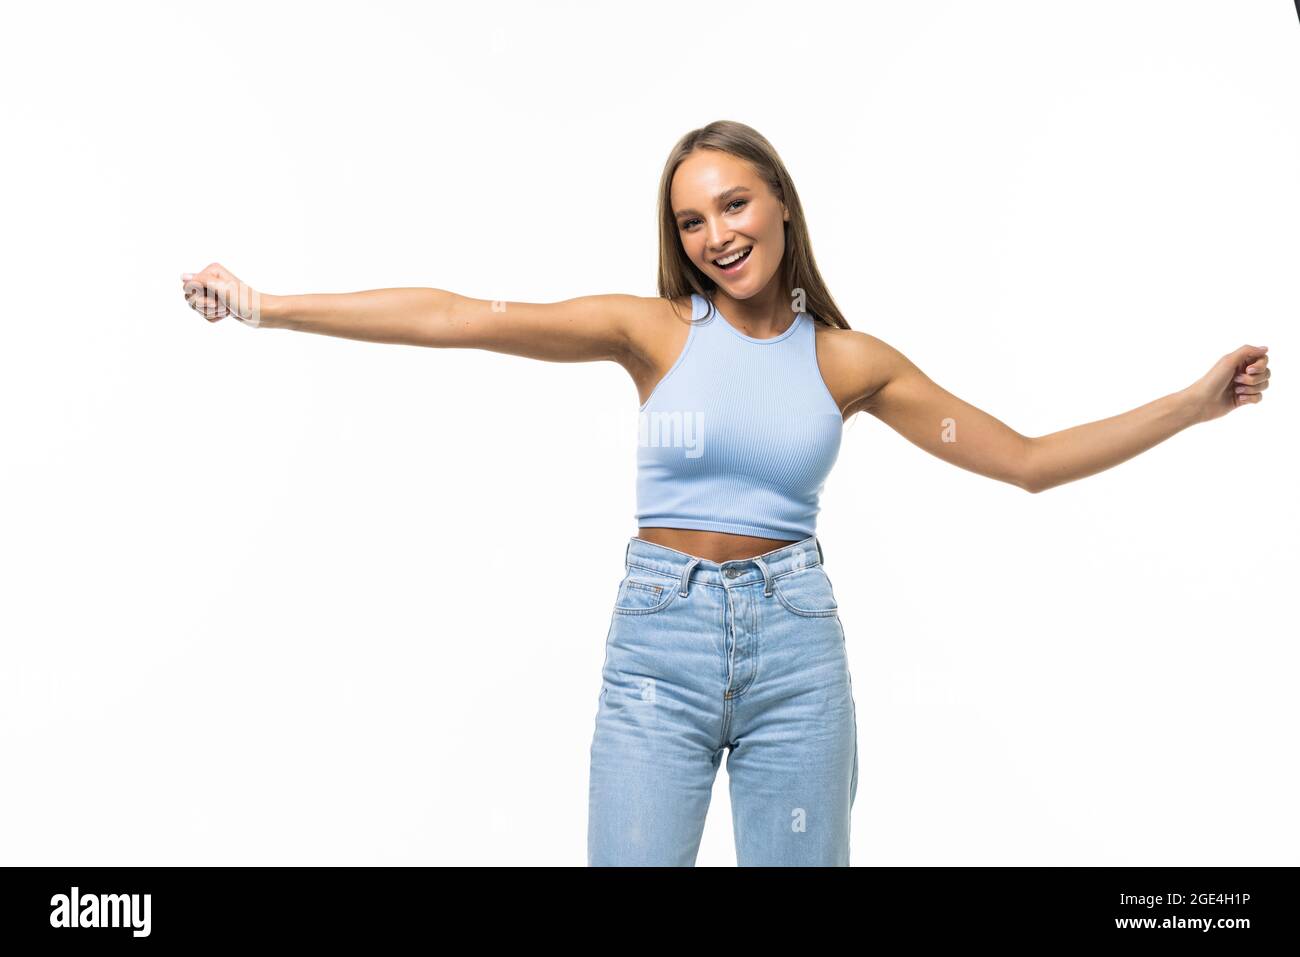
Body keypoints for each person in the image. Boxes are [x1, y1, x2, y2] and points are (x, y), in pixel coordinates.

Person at [180, 119, 1271, 866]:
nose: (717, 237)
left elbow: (1026, 460)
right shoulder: (651, 332)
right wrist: (265, 305)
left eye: (734, 204)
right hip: (660, 650)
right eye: (693, 223)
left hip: (797, 655)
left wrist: (1190, 405)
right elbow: (463, 315)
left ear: (781, 203)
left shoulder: (849, 363)